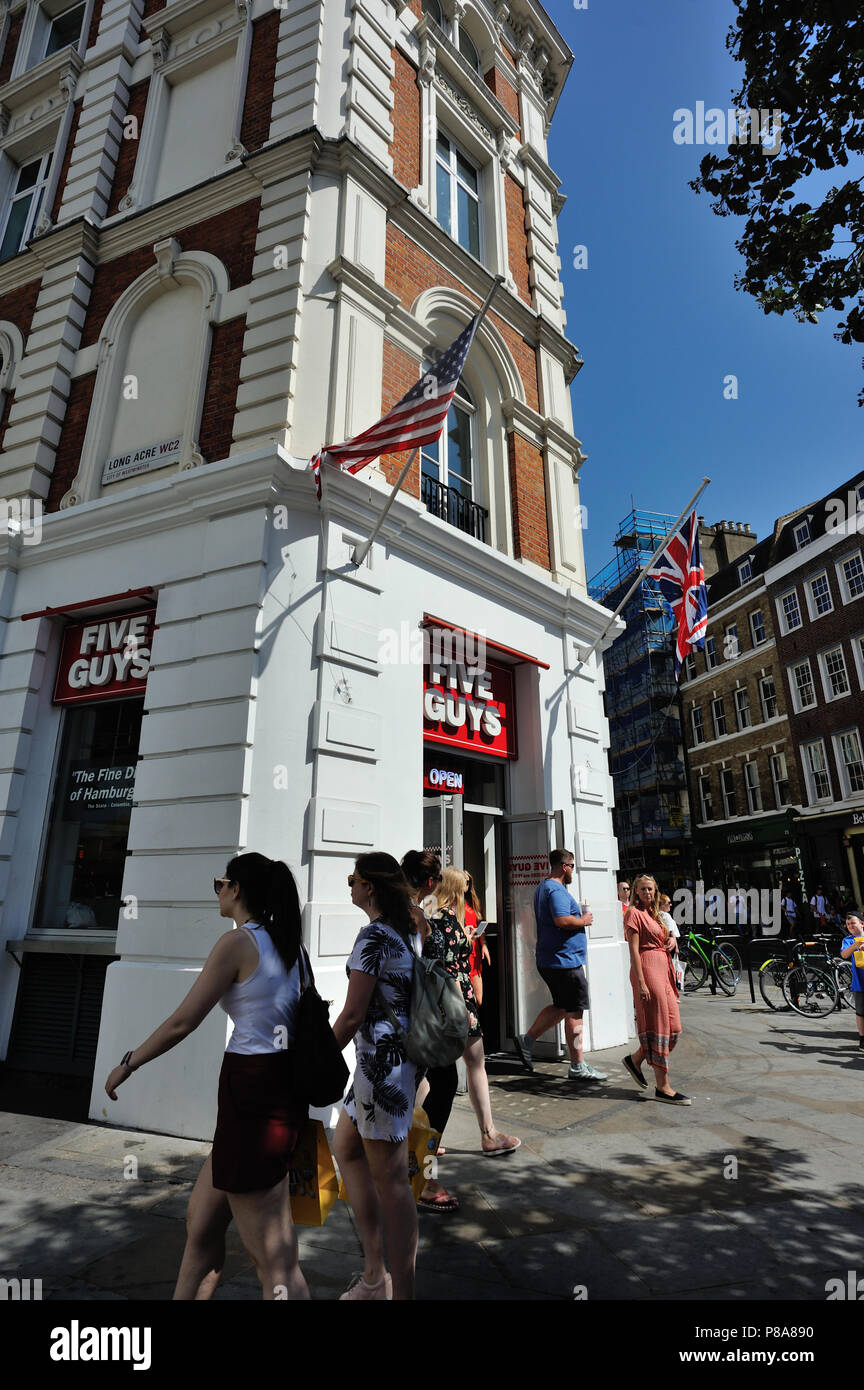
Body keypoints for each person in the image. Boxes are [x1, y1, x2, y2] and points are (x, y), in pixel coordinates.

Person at [104, 852, 310, 1300]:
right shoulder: (289, 943)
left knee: (273, 1258)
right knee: (201, 1222)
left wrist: (129, 1061)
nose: (216, 891)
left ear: (236, 890)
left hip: (254, 1095)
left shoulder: (237, 943)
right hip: (271, 1092)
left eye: (220, 883)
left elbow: (183, 1022)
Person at [331, 852, 422, 1300]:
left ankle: (398, 1291)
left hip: (381, 1068)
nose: (350, 885)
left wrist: (318, 1059)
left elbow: (350, 1016)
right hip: (398, 1062)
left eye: (354, 878)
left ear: (369, 887)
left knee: (392, 1183)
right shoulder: (408, 930)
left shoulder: (373, 936)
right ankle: (373, 1274)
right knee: (345, 1147)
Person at [426, 866, 520, 1157]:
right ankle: (487, 1134)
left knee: (436, 1073)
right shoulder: (443, 918)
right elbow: (444, 963)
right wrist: (460, 1006)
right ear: (456, 887)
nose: (467, 890)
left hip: (447, 998)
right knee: (472, 1063)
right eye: (464, 885)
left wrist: (467, 937)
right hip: (456, 997)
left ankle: (427, 1136)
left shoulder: (439, 916)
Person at [514, 849, 608, 1083]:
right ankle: (577, 1065)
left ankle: (527, 1040)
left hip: (554, 960)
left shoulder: (544, 888)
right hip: (565, 961)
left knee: (561, 1006)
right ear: (565, 867)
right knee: (575, 1012)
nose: (573, 871)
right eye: (573, 866)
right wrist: (584, 921)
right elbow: (562, 921)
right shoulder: (555, 890)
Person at [401, 849, 461, 1214]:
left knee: (423, 1088)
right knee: (442, 1084)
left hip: (410, 1018)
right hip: (417, 1019)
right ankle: (422, 1176)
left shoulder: (401, 911)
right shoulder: (414, 915)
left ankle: (414, 1171)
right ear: (428, 882)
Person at [621, 873, 691, 1105]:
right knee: (659, 1026)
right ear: (635, 892)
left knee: (674, 1028)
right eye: (642, 889)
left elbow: (665, 937)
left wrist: (672, 941)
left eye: (650, 889)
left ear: (655, 891)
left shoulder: (656, 914)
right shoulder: (634, 914)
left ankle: (636, 1058)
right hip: (648, 969)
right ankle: (663, 1087)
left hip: (664, 970)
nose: (647, 893)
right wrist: (641, 982)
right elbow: (633, 951)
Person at [466, 874, 491, 1007]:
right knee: (467, 999)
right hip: (463, 951)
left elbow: (480, 924)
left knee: (478, 999)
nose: (466, 884)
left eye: (469, 881)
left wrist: (484, 945)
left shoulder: (474, 902)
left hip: (475, 950)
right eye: (464, 881)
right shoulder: (454, 903)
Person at [840, 911, 864, 1050]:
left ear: (862, 924)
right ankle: (862, 1038)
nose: (850, 926)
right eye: (848, 924)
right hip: (859, 981)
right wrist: (854, 946)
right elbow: (844, 954)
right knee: (860, 1011)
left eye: (853, 923)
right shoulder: (848, 940)